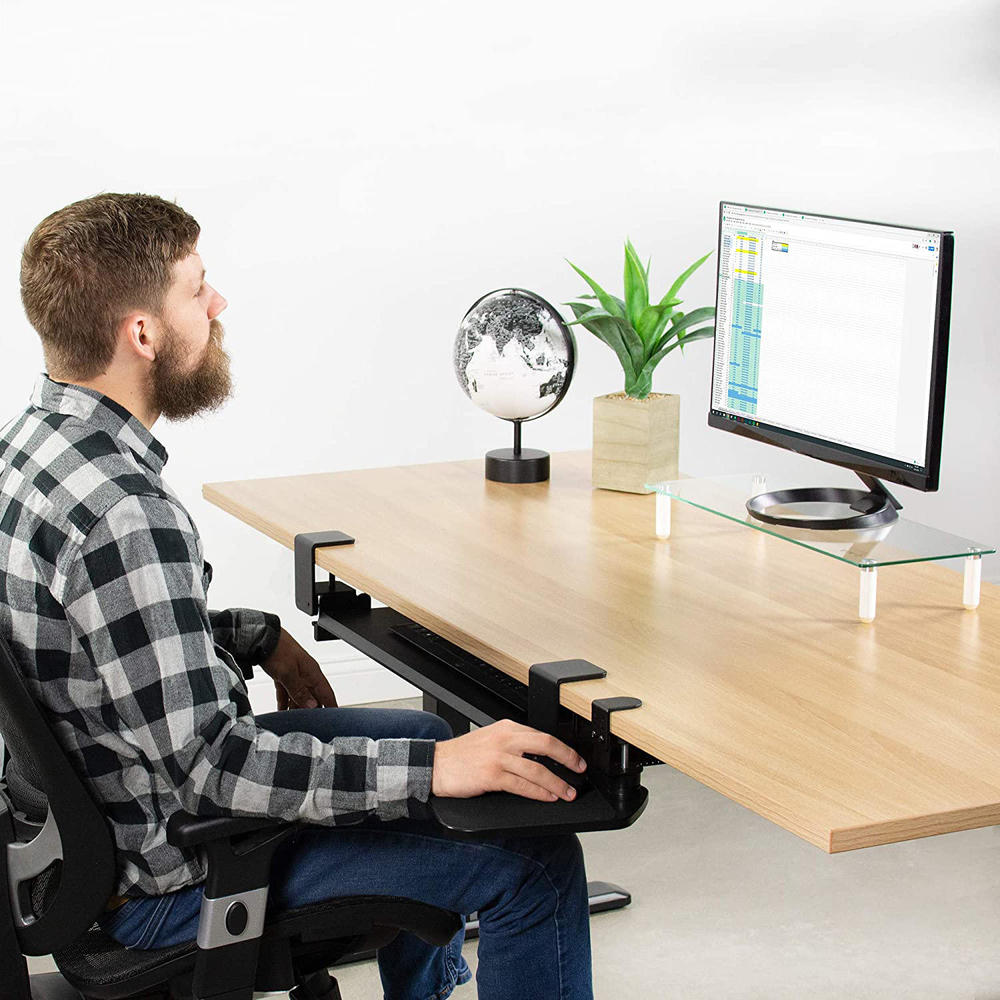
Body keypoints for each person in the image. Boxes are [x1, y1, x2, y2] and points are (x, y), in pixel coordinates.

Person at [0, 193, 594, 1000]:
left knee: (421, 730)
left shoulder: (33, 452)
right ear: (141, 333)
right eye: (196, 289)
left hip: (92, 841)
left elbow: (111, 640)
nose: (218, 305)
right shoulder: (123, 514)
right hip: (172, 880)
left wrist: (257, 635)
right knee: (537, 863)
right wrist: (436, 769)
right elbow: (217, 771)